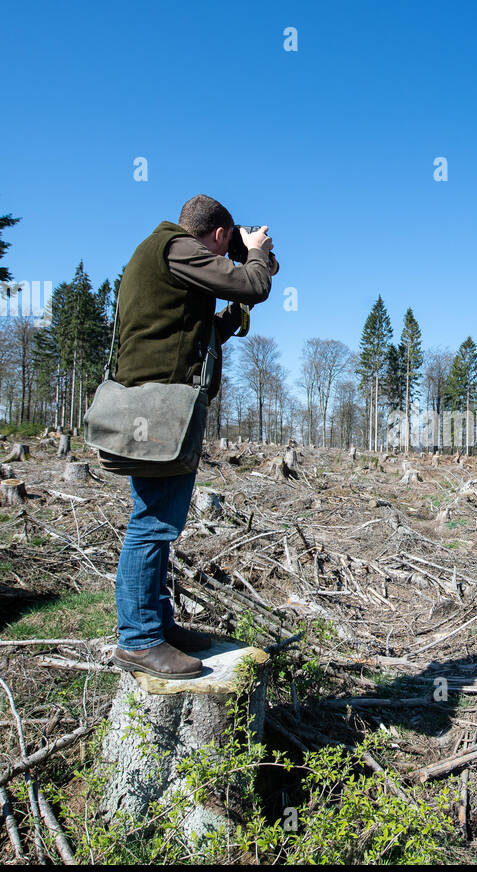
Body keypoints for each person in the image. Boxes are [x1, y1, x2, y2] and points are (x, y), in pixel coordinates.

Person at [110, 194, 278, 679]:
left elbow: (201, 331)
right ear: (221, 235)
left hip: (159, 406)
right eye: (228, 249)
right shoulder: (177, 248)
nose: (224, 261)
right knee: (152, 523)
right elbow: (254, 283)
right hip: (157, 408)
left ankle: (155, 625)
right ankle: (139, 639)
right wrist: (256, 255)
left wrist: (241, 295)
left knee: (157, 521)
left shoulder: (167, 255)